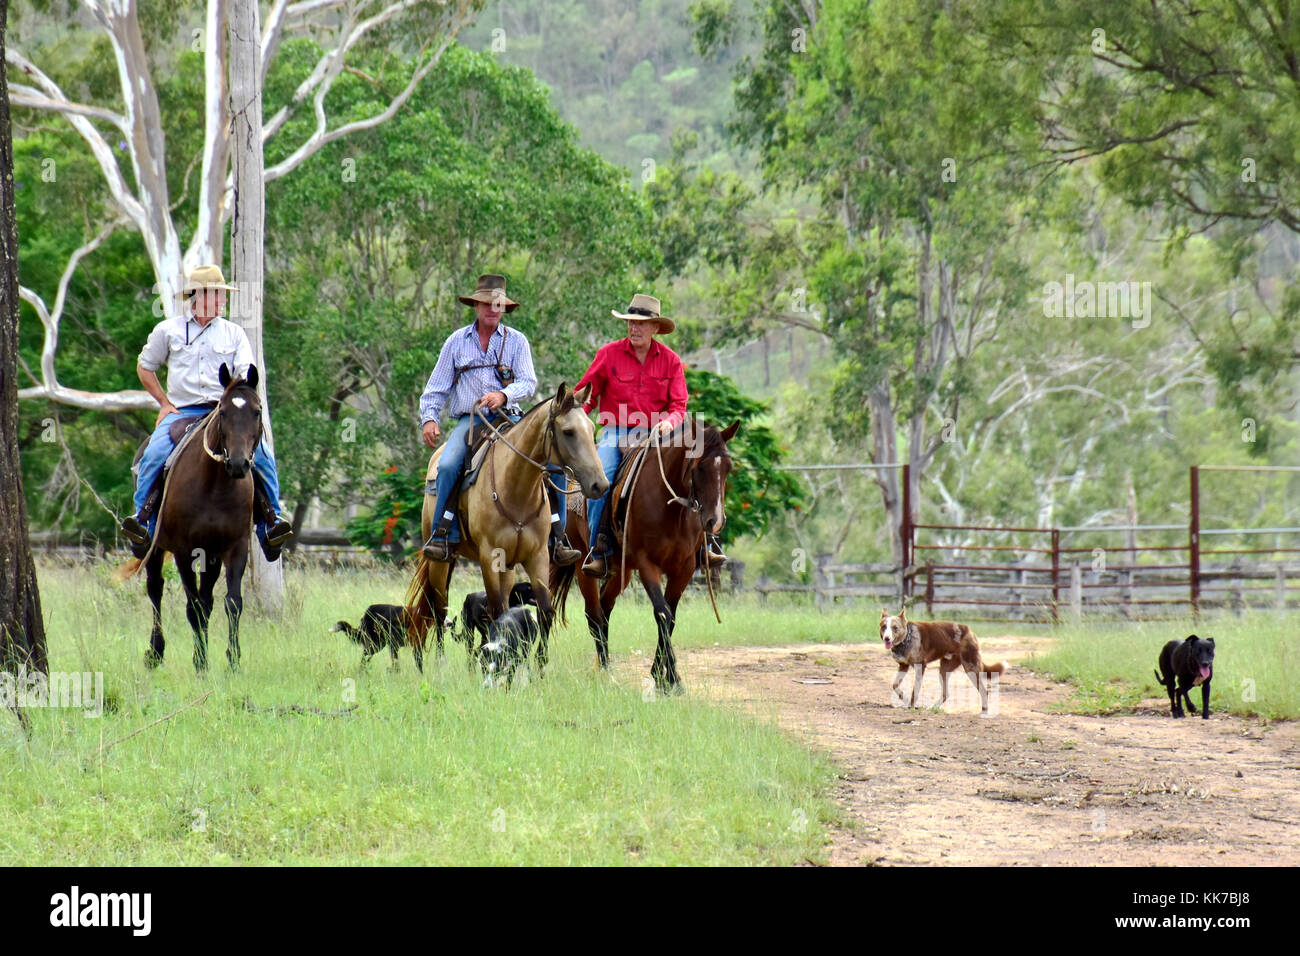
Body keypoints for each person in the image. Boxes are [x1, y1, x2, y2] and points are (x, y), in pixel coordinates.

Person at [120, 264, 293, 560]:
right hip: (182, 411)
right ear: (198, 296)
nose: (222, 300)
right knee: (154, 454)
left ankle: (271, 525)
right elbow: (145, 366)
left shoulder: (234, 334)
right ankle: (143, 522)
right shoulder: (168, 330)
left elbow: (245, 374)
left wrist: (238, 401)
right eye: (217, 294)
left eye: (223, 295)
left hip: (222, 412)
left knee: (262, 456)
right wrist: (163, 402)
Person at [417, 274, 580, 565]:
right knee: (450, 463)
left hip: (512, 419)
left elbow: (528, 382)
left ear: (504, 308)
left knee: (555, 465)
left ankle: (558, 537)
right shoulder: (456, 342)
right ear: (476, 306)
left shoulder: (517, 341)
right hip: (471, 421)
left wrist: (503, 395)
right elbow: (436, 388)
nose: (492, 309)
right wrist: (429, 419)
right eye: (486, 304)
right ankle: (443, 534)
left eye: (498, 304)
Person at [573, 293, 726, 578]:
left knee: (696, 469)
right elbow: (586, 395)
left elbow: (679, 406)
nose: (635, 328)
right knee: (600, 479)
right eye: (631, 322)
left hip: (659, 431)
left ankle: (703, 544)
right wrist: (579, 414)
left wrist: (669, 423)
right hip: (615, 431)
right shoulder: (608, 354)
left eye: (642, 324)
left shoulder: (670, 361)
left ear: (655, 327)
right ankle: (599, 549)